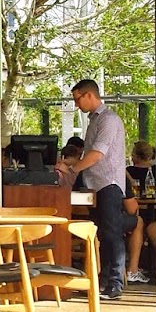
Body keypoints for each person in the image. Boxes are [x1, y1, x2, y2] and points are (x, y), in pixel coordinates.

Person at [59, 79, 128, 299]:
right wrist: (70, 165)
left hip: (108, 183)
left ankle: (115, 283)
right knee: (102, 233)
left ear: (89, 95)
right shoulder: (94, 121)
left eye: (77, 99)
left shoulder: (109, 120)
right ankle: (105, 280)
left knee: (111, 233)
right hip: (94, 186)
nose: (77, 104)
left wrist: (73, 171)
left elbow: (98, 154)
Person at [125, 140, 156, 284]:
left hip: (133, 210)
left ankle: (136, 266)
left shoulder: (130, 172)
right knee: (147, 225)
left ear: (136, 156)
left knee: (139, 223)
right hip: (151, 212)